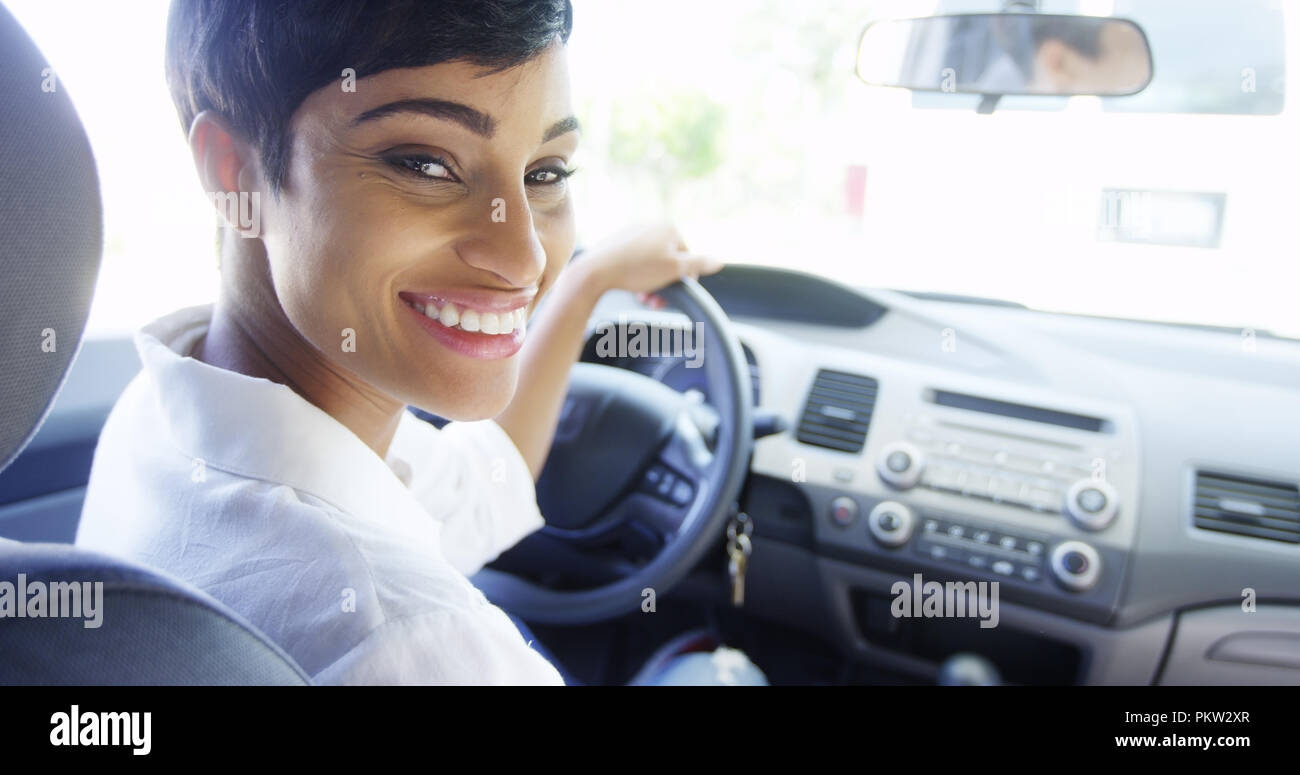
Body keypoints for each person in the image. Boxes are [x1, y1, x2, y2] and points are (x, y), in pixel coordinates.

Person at [76, 0, 765, 686]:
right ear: (237, 175)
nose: (523, 260)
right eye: (426, 164)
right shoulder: (415, 641)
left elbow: (479, 490)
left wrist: (587, 284)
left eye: (545, 172)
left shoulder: (167, 410)